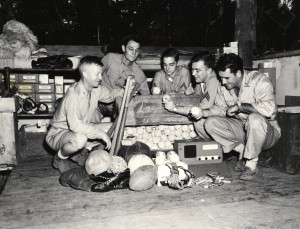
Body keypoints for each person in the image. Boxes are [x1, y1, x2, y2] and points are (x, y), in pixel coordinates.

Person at [200, 53, 281, 181]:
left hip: (267, 132)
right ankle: (242, 151)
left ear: (238, 73)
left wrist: (240, 107)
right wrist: (203, 112)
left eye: (226, 78)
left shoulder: (259, 80)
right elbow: (221, 109)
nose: (223, 82)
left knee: (254, 118)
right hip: (243, 129)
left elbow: (269, 109)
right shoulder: (224, 87)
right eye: (221, 78)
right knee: (209, 123)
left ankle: (251, 165)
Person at [46, 56, 117, 174]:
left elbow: (111, 95)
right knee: (80, 139)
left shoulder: (95, 88)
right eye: (97, 74)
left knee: (114, 128)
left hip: (80, 128)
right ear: (85, 74)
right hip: (58, 134)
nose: (100, 78)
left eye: (101, 73)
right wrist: (100, 134)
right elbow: (75, 126)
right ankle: (59, 158)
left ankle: (81, 152)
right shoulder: (73, 96)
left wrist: (126, 90)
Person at [163, 52, 220, 139]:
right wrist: (191, 94)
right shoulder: (201, 80)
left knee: (198, 121)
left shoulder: (213, 81)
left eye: (197, 70)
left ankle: (211, 143)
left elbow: (199, 111)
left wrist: (174, 108)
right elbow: (198, 98)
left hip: (221, 119)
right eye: (192, 70)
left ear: (208, 71)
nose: (193, 74)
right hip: (212, 115)